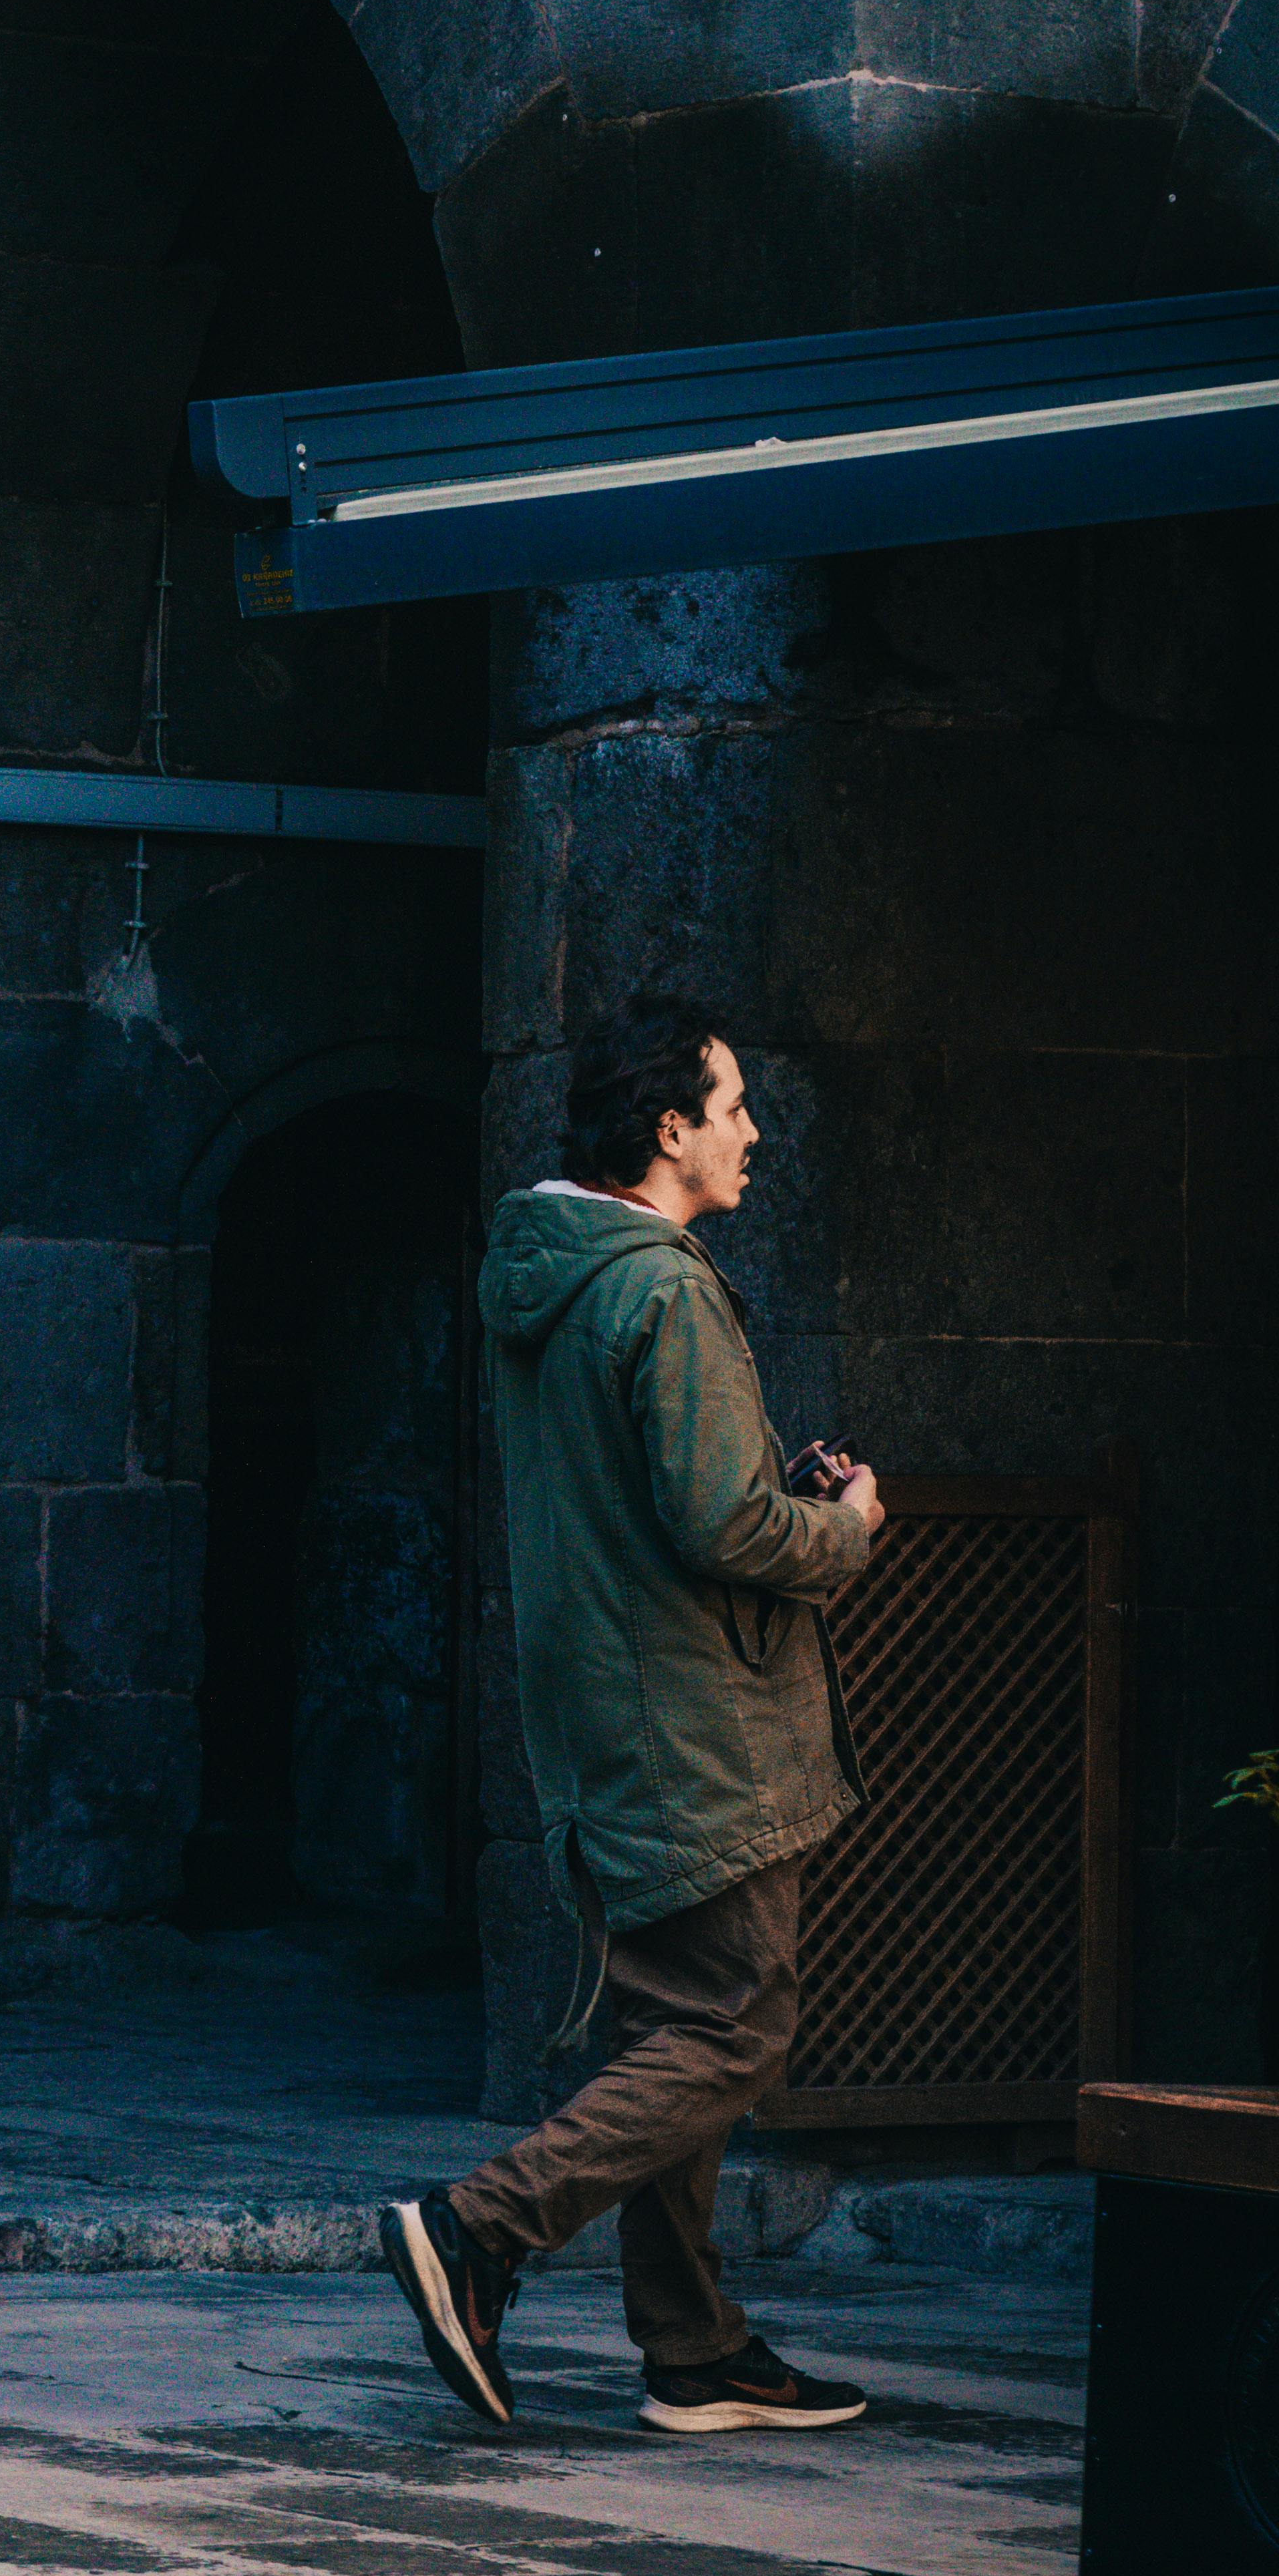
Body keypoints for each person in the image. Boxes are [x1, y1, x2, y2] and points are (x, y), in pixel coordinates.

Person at [382, 1007, 883, 2440]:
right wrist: (841, 1528)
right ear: (668, 1130)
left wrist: (769, 1492)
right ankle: (480, 2228)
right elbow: (723, 1523)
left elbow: (650, 1495)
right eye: (731, 1106)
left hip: (609, 1706)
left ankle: (694, 2349)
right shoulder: (658, 1287)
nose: (751, 1132)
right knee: (731, 2031)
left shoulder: (555, 1270)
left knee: (674, 2030)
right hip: (694, 1722)